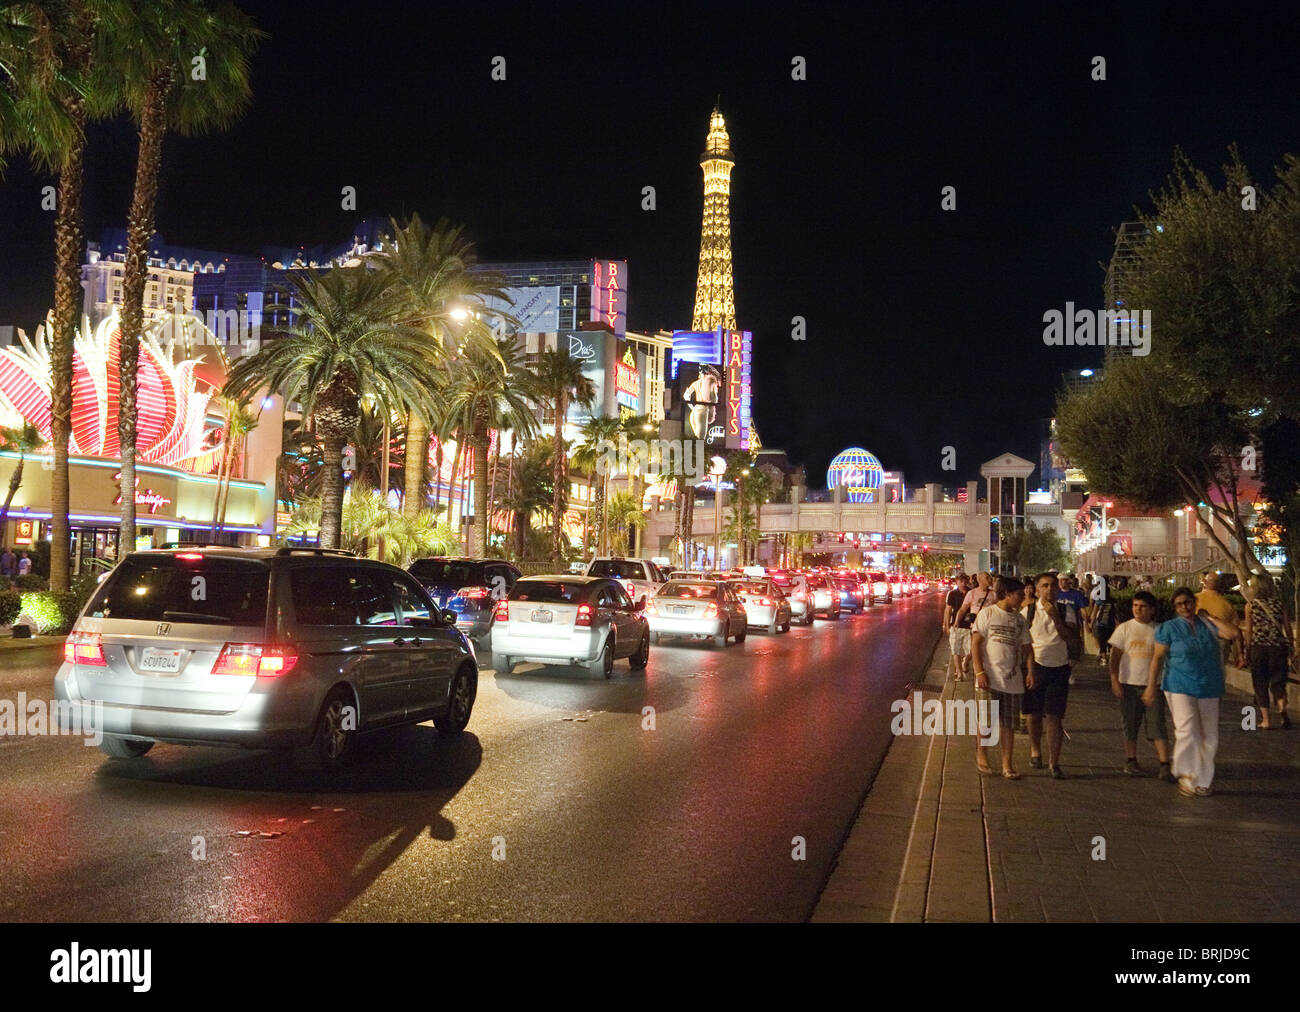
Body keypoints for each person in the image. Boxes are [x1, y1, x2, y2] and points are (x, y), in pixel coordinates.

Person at [1150, 586, 1237, 797]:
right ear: (1174, 607)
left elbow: (1232, 633)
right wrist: (1150, 686)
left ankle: (1203, 779)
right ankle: (1186, 773)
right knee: (1187, 729)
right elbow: (1157, 658)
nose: (1184, 607)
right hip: (1179, 684)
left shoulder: (1206, 624)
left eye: (1188, 602)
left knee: (1210, 735)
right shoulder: (1168, 628)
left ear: (1194, 603)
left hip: (1209, 684)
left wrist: (1210, 618)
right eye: (1179, 604)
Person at [1109, 590, 1175, 780]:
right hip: (1128, 683)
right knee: (1130, 723)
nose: (1138, 610)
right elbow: (1115, 656)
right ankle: (1131, 759)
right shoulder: (1124, 628)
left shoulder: (1160, 630)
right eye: (1135, 606)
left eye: (1143, 606)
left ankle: (1164, 763)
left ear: (1152, 610)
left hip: (1153, 685)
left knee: (1157, 724)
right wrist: (1114, 680)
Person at [971, 576, 1032, 779]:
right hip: (989, 678)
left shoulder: (1020, 619)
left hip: (1012, 680)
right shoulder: (987, 614)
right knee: (987, 722)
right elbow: (976, 644)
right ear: (1007, 594)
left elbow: (1027, 648)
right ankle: (982, 756)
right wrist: (979, 671)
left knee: (1009, 725)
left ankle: (1007, 764)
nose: (1023, 598)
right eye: (1019, 595)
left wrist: (1029, 671)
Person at [1023, 572, 1073, 778]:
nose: (1049, 589)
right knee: (1034, 714)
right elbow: (1024, 642)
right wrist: (1029, 669)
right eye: (1044, 585)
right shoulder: (1029, 611)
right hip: (1035, 667)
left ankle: (1055, 761)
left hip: (1059, 668)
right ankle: (1035, 750)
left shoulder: (1065, 610)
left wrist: (1056, 617)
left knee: (1054, 717)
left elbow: (1071, 637)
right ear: (1037, 589)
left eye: (1053, 585)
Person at [1244, 575, 1292, 730]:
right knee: (1278, 682)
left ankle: (1266, 720)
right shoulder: (1280, 604)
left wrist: (1247, 651)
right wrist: (1291, 646)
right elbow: (1288, 628)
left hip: (1259, 648)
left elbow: (1249, 632)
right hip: (1278, 648)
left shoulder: (1251, 605)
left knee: (1260, 683)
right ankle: (1282, 709)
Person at [1196, 572, 1243, 669]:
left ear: (1204, 582)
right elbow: (1235, 632)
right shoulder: (1227, 604)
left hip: (1197, 642)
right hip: (1220, 645)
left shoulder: (1194, 599)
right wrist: (1239, 654)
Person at [942, 573, 972, 680]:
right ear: (957, 582)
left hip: (969, 626)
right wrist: (946, 624)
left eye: (965, 581)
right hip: (956, 625)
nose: (963, 584)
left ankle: (965, 662)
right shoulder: (952, 594)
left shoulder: (971, 593)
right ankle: (959, 673)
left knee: (971, 651)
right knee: (955, 650)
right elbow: (948, 610)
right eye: (961, 581)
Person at [1086, 574, 1118, 668]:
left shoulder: (1099, 597)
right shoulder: (1113, 599)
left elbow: (1095, 610)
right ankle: (1111, 659)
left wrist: (1091, 623)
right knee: (1110, 641)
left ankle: (1104, 659)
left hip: (1100, 623)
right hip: (1110, 623)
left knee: (1102, 641)